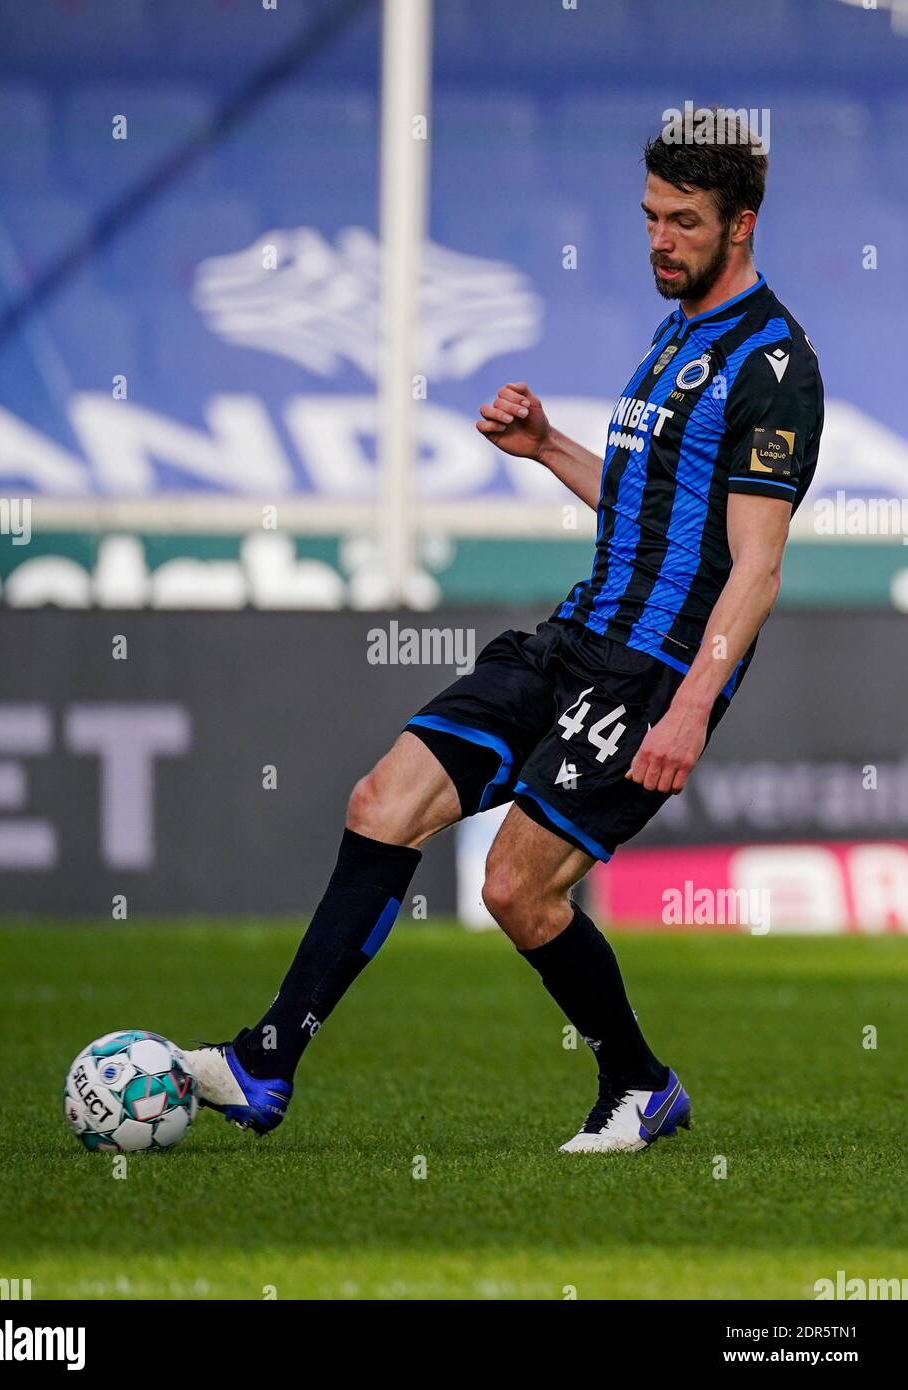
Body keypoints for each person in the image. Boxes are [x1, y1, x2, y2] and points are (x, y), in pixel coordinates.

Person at [188, 118, 823, 1153]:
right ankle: (266, 1061)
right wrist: (546, 447)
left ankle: (638, 1085)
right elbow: (651, 510)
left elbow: (754, 565)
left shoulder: (774, 366)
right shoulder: (673, 335)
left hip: (651, 672)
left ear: (740, 224)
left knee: (514, 890)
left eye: (683, 222)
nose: (659, 241)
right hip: (573, 637)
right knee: (382, 801)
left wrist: (689, 710)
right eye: (649, 218)